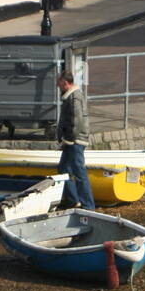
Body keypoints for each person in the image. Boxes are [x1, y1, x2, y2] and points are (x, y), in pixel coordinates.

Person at [56, 70, 95, 211]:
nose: (57, 85)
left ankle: (88, 205)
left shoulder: (74, 97)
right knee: (63, 169)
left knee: (79, 172)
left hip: (75, 141)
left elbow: (76, 121)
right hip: (72, 140)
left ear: (65, 82)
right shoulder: (71, 96)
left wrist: (69, 139)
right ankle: (73, 200)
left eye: (59, 82)